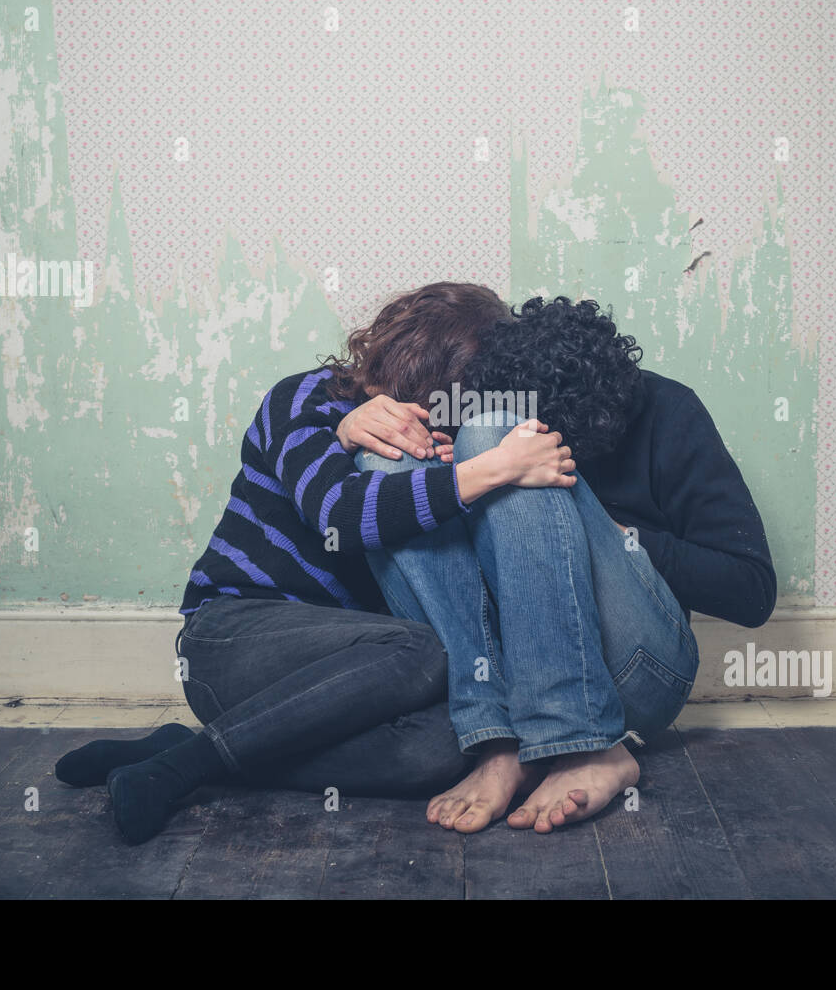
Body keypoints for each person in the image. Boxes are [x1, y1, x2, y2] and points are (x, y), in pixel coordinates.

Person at [52, 282, 574, 844]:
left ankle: (193, 745)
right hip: (231, 640)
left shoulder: (443, 442)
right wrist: (493, 469)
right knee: (416, 648)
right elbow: (338, 517)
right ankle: (177, 770)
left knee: (446, 747)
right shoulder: (304, 399)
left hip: (338, 689)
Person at [352, 296, 777, 834]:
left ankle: (584, 746)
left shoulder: (667, 408)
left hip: (637, 674)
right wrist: (355, 421)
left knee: (494, 435)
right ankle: (499, 746)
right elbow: (362, 397)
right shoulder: (486, 390)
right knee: (387, 455)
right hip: (506, 685)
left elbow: (752, 591)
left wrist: (621, 536)